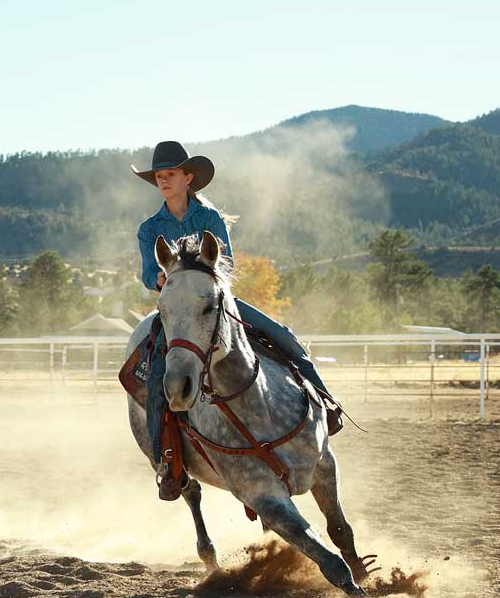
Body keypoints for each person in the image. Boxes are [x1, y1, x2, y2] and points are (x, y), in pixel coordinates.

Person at [134, 140, 343, 501]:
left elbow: (225, 263)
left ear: (187, 177)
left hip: (215, 302)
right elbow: (148, 272)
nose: (163, 181)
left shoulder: (210, 218)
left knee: (284, 337)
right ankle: (167, 462)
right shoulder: (149, 229)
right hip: (178, 312)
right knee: (156, 381)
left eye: (170, 175)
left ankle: (325, 404)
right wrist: (160, 279)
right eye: (159, 176)